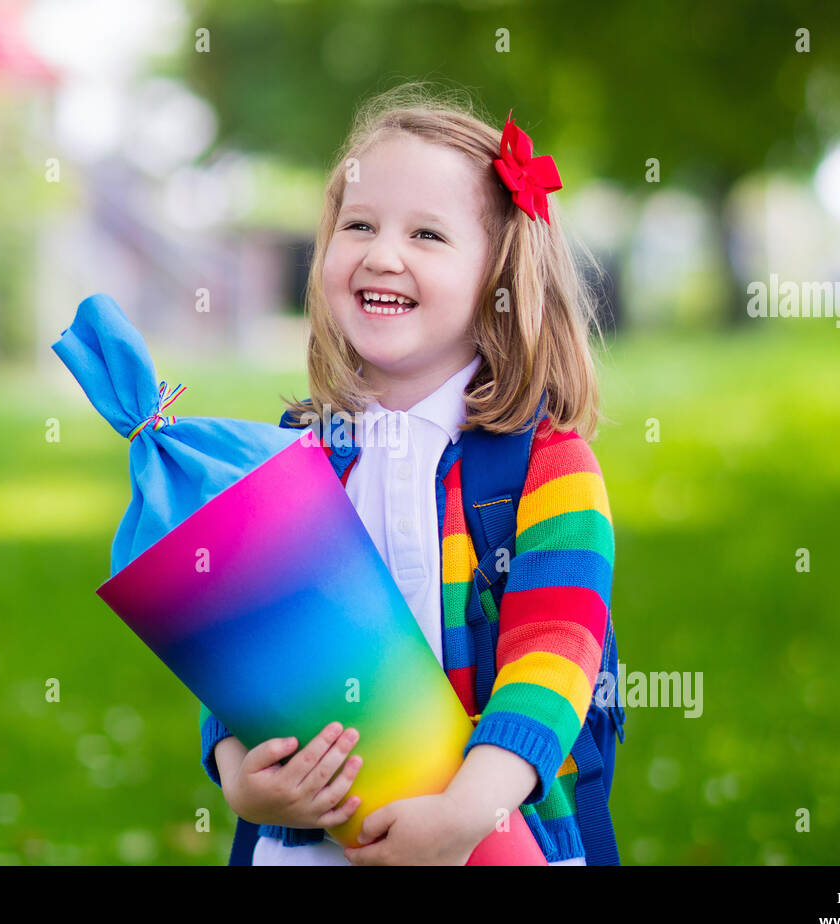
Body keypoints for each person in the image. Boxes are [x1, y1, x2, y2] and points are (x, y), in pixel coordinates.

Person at [201, 82, 615, 865]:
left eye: (427, 234)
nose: (381, 254)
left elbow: (556, 652)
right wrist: (240, 777)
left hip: (495, 833)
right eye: (358, 225)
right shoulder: (297, 455)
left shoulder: (545, 465)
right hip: (314, 840)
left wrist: (465, 812)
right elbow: (243, 643)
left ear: (499, 277)